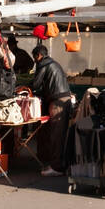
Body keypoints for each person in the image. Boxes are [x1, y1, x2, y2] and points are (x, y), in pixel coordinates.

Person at [31, 44, 74, 177]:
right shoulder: (54, 63)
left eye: (35, 58)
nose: (34, 61)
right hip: (65, 99)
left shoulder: (43, 64)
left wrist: (25, 86)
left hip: (57, 102)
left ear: (39, 56)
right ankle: (59, 164)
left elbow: (35, 84)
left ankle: (56, 167)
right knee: (60, 134)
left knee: (56, 135)